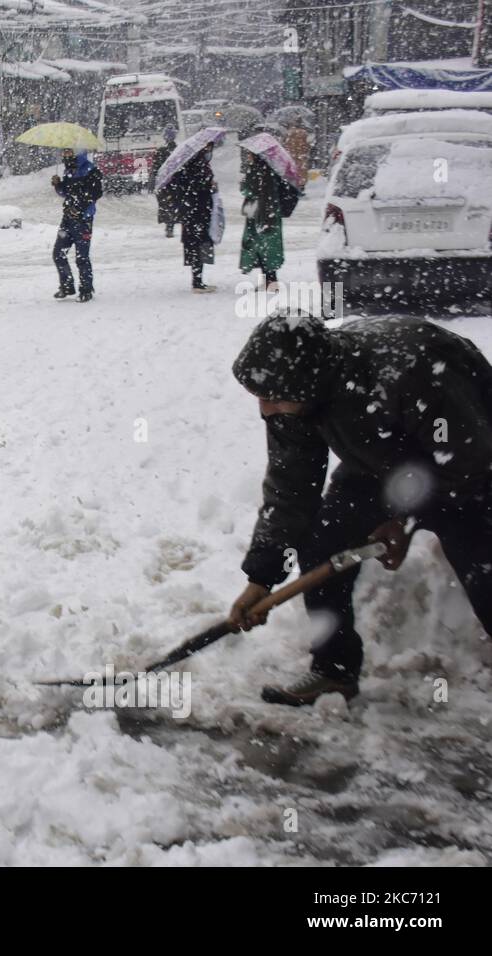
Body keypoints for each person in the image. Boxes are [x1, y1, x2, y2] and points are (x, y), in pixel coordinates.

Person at [228, 312, 492, 706]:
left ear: (308, 386)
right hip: (382, 460)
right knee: (322, 546)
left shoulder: (409, 370)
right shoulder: (295, 396)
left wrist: (405, 520)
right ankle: (333, 671)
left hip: (469, 471)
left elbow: (468, 460)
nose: (266, 410)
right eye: (261, 398)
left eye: (274, 398)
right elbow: (291, 488)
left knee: (484, 573)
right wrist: (261, 575)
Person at [163, 142, 219, 292]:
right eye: (208, 148)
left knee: (193, 245)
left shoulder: (185, 166)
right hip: (198, 212)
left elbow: (179, 186)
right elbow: (198, 186)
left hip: (189, 212)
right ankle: (197, 282)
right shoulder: (198, 166)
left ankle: (197, 280)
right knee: (198, 244)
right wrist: (210, 184)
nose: (209, 151)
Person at [50, 147, 103, 303]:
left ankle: (86, 289)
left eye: (68, 152)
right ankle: (67, 286)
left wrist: (79, 208)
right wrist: (58, 185)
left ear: (77, 152)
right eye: (64, 152)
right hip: (67, 218)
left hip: (83, 220)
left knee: (82, 257)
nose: (65, 155)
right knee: (58, 253)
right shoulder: (69, 171)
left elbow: (95, 193)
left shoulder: (90, 170)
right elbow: (66, 192)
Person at [239, 150, 286, 290]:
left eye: (250, 154)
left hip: (259, 214)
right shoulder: (272, 170)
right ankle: (271, 279)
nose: (248, 156)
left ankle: (269, 281)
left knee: (260, 247)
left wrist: (243, 184)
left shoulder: (256, 171)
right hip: (271, 214)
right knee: (269, 247)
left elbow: (248, 190)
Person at [151, 127, 178, 237]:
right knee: (174, 204)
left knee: (165, 204)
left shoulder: (161, 151)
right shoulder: (179, 150)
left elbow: (155, 168)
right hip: (176, 182)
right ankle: (171, 225)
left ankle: (169, 225)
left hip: (164, 182)